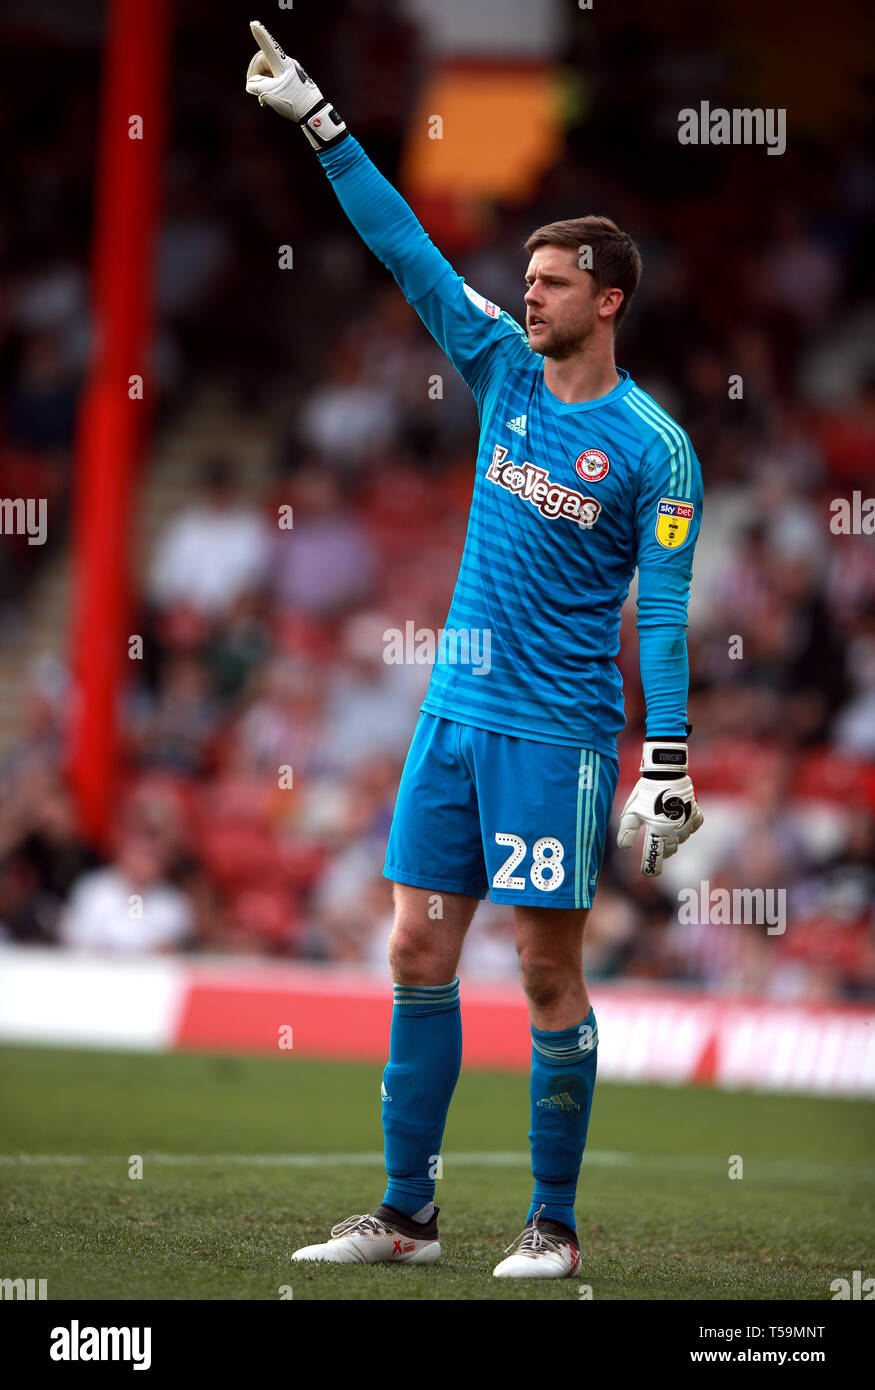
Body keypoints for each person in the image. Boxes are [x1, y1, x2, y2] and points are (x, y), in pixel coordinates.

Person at [245, 22, 704, 1279]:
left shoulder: (656, 449)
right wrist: (322, 123)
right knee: (412, 949)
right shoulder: (498, 369)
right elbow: (408, 254)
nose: (529, 295)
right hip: (450, 717)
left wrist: (664, 758)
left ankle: (551, 1226)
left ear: (606, 300)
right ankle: (406, 1215)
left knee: (546, 970)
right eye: (528, 279)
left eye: (552, 283)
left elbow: (657, 614)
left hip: (553, 736)